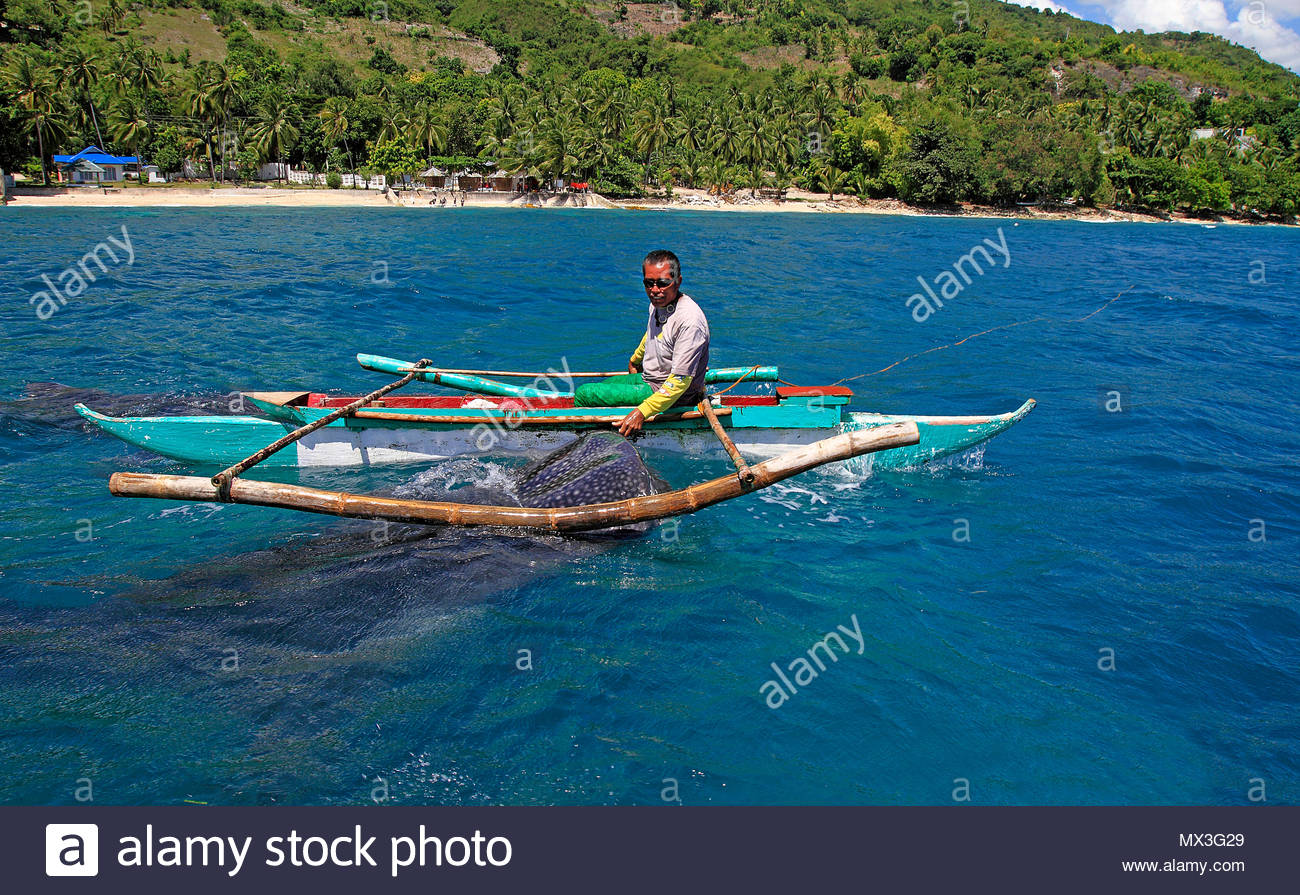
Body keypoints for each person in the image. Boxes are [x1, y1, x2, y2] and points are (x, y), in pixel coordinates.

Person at [617, 250, 710, 437]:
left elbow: (679, 381)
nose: (654, 290)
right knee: (605, 385)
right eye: (648, 283)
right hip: (650, 379)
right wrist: (635, 359)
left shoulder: (690, 321)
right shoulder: (658, 304)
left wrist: (641, 412)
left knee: (585, 394)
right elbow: (653, 332)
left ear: (678, 281)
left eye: (662, 283)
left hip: (674, 395)